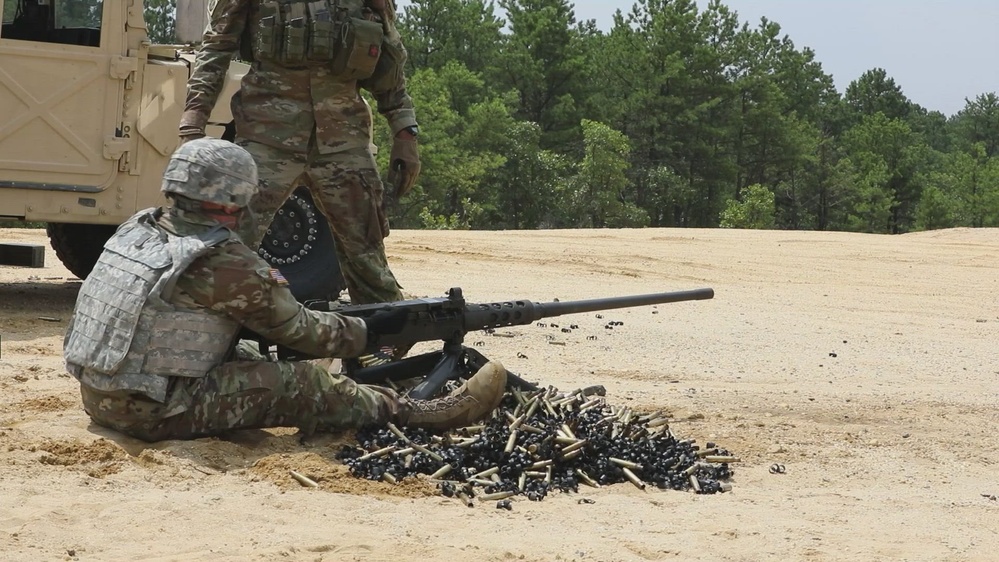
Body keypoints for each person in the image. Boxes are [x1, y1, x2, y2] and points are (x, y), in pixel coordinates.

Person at [62, 139, 504, 443]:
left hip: (102, 395)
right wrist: (371, 332)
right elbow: (305, 334)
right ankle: (414, 413)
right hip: (154, 412)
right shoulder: (223, 260)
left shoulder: (137, 230)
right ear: (233, 197)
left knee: (252, 359)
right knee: (305, 380)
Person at [178, 0, 421, 307]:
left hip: (343, 141)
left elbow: (389, 60)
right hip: (267, 137)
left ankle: (383, 346)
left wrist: (404, 131)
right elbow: (216, 47)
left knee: (368, 261)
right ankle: (202, 340)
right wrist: (194, 120)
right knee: (225, 250)